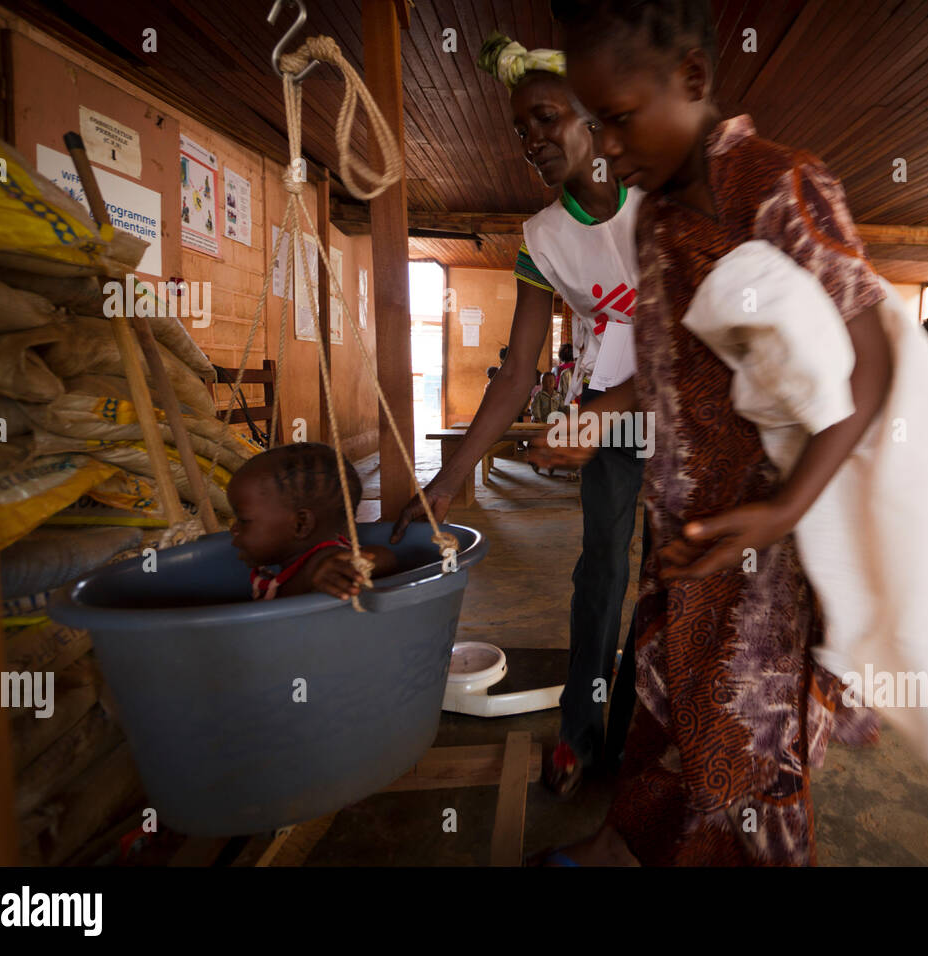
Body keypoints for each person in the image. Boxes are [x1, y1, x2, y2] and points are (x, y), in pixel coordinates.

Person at [535, 0, 891, 866]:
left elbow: (873, 364)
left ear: (693, 80)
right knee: (665, 701)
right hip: (688, 525)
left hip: (767, 539)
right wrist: (603, 411)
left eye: (618, 120)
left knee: (747, 745)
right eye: (595, 125)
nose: (607, 148)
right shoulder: (656, 217)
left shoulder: (778, 185)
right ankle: (628, 843)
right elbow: (674, 368)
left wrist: (784, 512)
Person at [391, 31, 646, 799]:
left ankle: (641, 734)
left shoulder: (663, 202)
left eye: (545, 118)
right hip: (616, 415)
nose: (531, 139)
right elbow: (515, 373)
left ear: (594, 119)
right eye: (521, 129)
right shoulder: (542, 239)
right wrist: (447, 479)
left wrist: (600, 416)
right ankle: (580, 732)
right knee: (601, 567)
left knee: (681, 581)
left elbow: (699, 341)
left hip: (693, 412)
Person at [229, 443, 398, 601]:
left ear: (301, 524)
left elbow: (386, 559)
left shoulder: (322, 564)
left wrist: (351, 568)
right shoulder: (288, 565)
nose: (233, 529)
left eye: (243, 520)